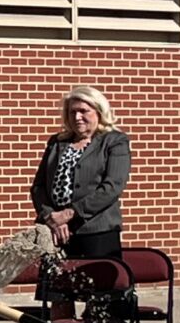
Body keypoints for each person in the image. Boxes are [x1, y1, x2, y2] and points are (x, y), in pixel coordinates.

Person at [30, 85, 130, 261]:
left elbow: (112, 187)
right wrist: (50, 217)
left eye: (83, 111)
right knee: (55, 286)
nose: (77, 117)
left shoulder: (114, 141)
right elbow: (38, 187)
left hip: (95, 232)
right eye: (72, 112)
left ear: (99, 111)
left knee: (95, 286)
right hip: (54, 233)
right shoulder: (57, 142)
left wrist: (68, 214)